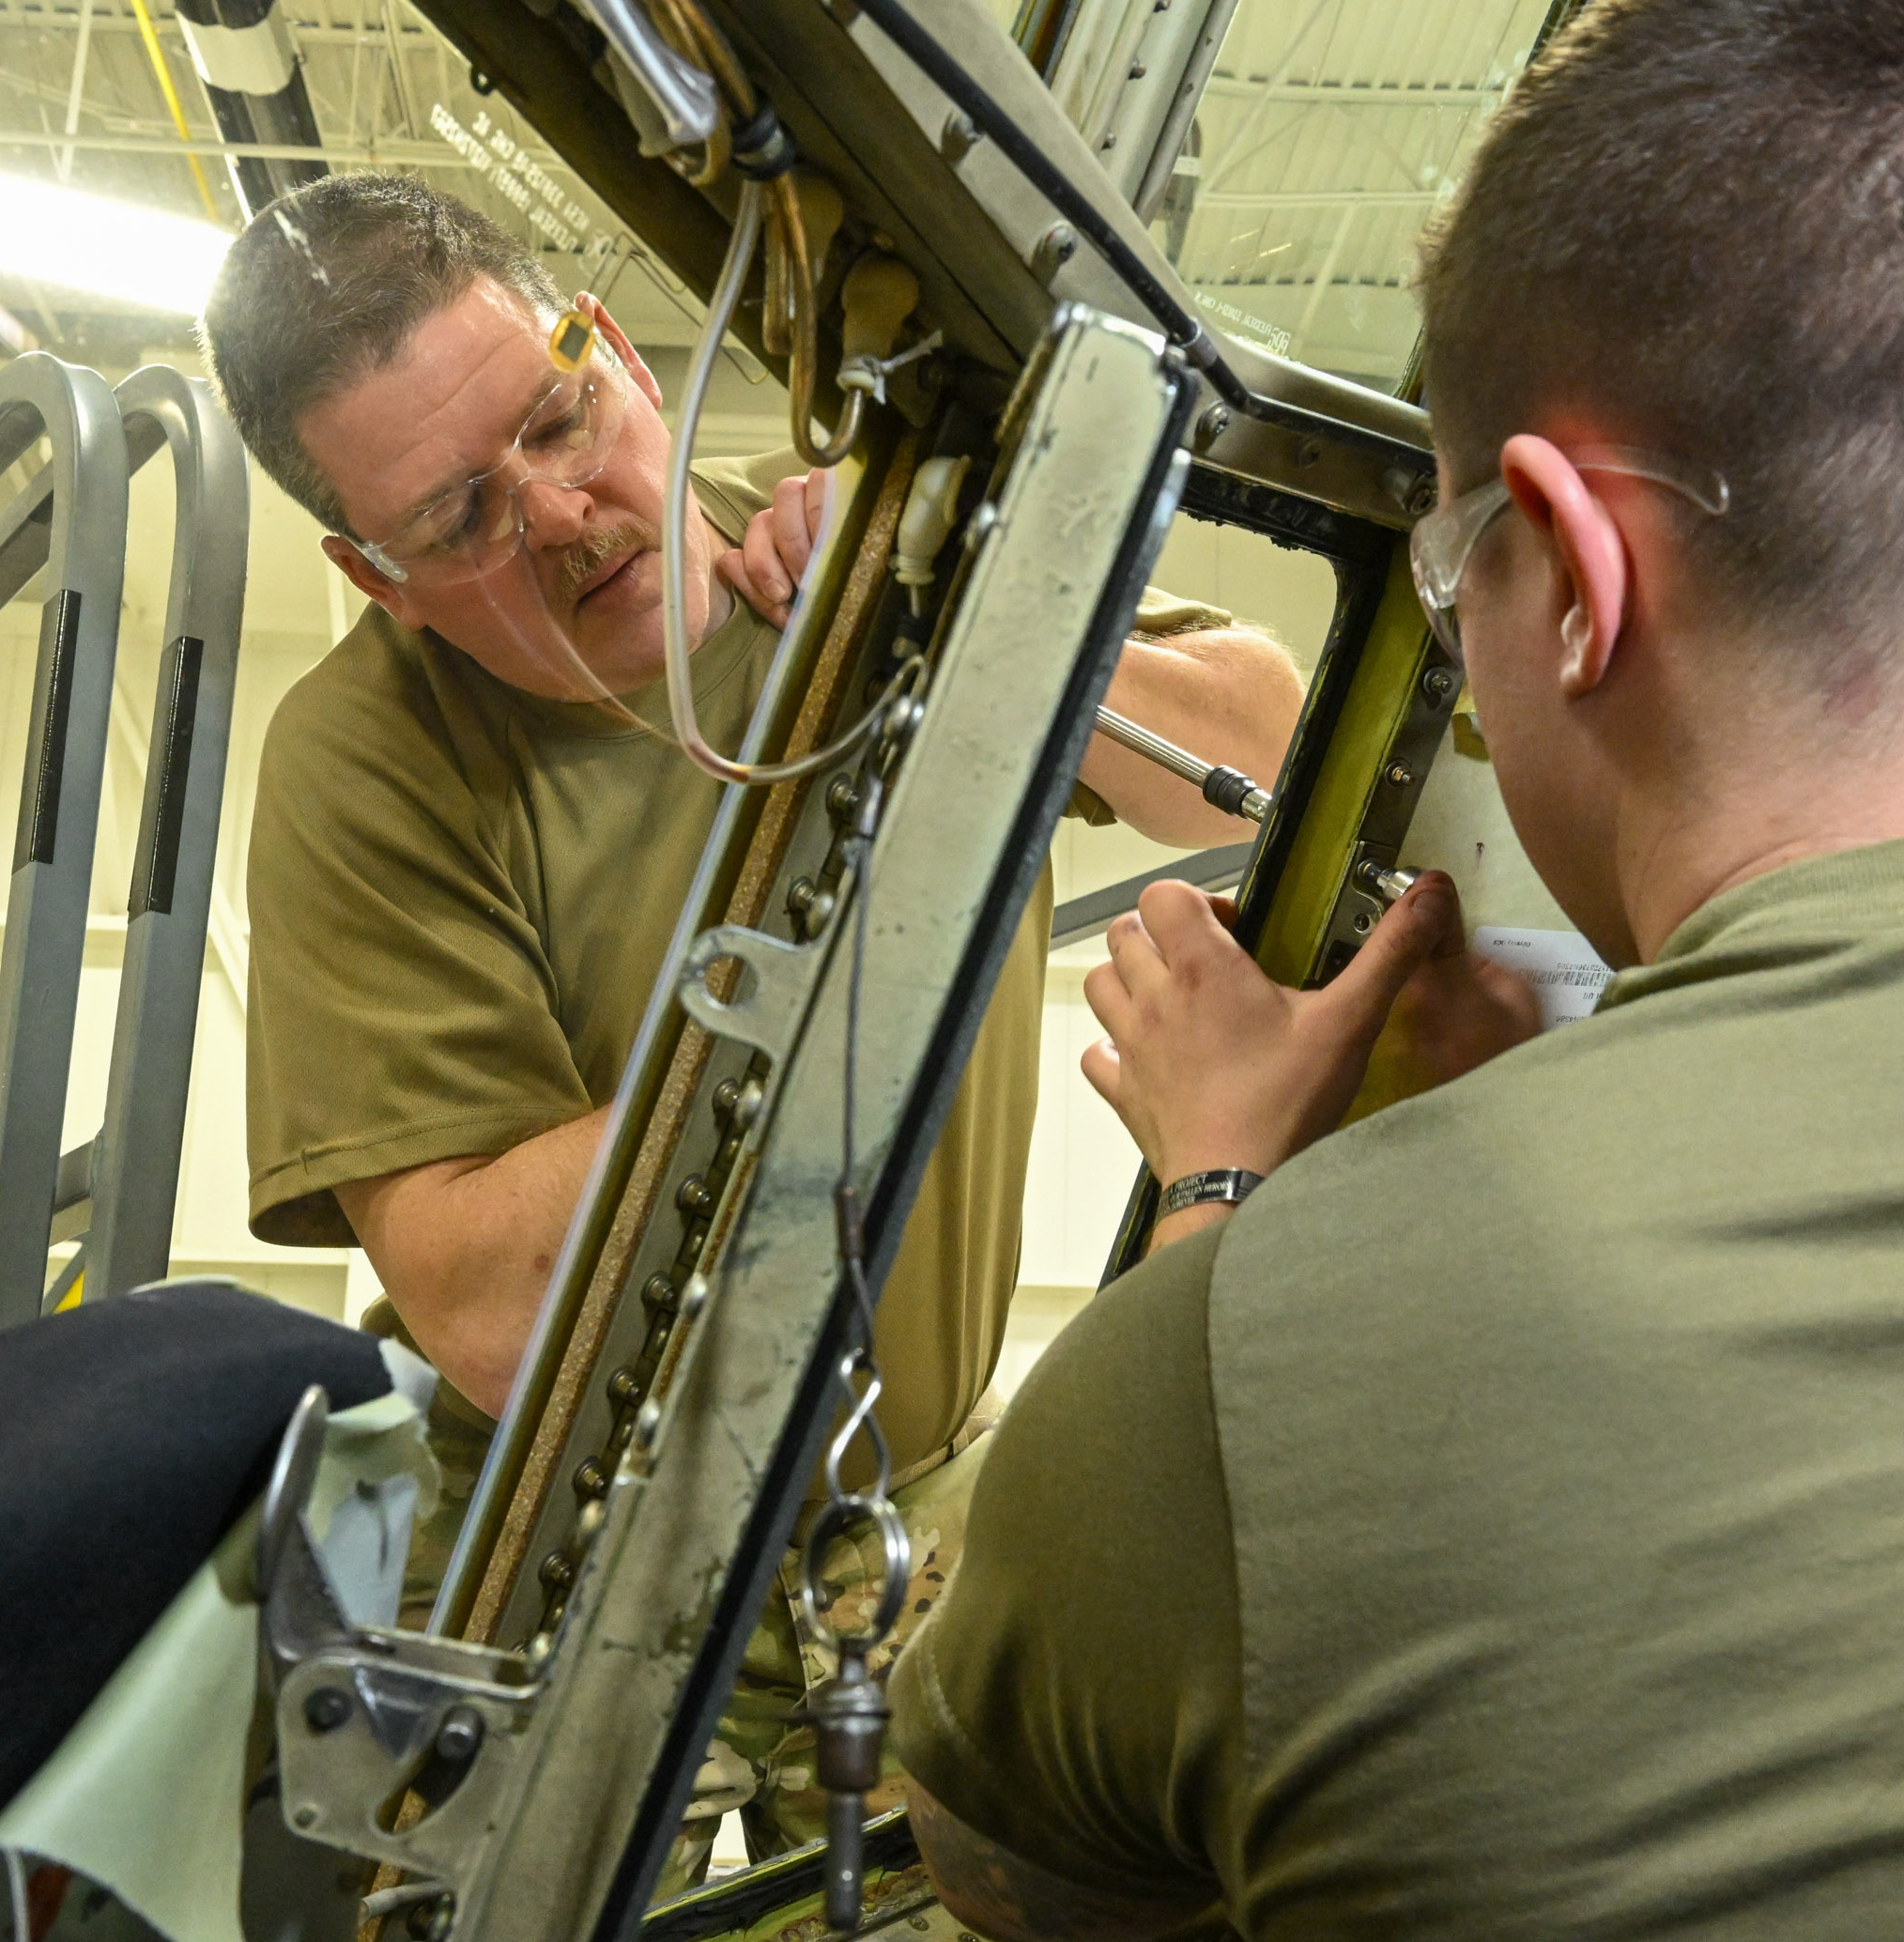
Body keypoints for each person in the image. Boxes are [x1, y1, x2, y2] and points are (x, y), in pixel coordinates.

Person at [890, 1, 1904, 1935]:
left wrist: (1230, 1208)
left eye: (1455, 576)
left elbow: (1022, 1873)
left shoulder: (1261, 1362)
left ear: (1571, 567)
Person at [193, 174, 1303, 1887]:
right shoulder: (366, 761)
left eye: (557, 421)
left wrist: (986, 637)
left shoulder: (882, 565)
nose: (561, 517)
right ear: (375, 577)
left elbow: (1271, 744)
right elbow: (496, 1311)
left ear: (621, 358)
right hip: (559, 1538)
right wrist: (826, 974)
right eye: (457, 518)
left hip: (910, 1496)